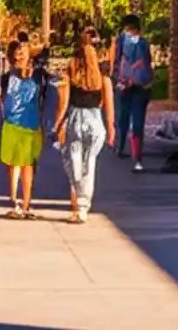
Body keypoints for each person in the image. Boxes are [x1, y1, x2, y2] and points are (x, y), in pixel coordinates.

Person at [54, 28, 115, 224]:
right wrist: (111, 128)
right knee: (90, 163)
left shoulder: (72, 75)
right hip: (95, 121)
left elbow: (64, 104)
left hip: (76, 120)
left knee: (74, 163)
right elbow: (108, 106)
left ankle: (79, 202)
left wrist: (57, 125)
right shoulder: (103, 79)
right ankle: (83, 205)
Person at [0, 40, 56, 219]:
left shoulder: (40, 76)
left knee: (28, 165)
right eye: (17, 53)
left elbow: (49, 98)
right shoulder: (7, 77)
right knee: (14, 163)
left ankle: (26, 203)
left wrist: (49, 124)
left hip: (32, 125)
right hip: (12, 125)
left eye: (23, 52)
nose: (20, 56)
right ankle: (14, 201)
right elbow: (2, 100)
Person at [111, 14, 155, 173]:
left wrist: (119, 79)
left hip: (128, 85)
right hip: (138, 85)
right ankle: (134, 155)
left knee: (125, 118)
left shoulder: (123, 42)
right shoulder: (139, 43)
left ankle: (123, 147)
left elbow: (118, 62)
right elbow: (145, 63)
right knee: (134, 120)